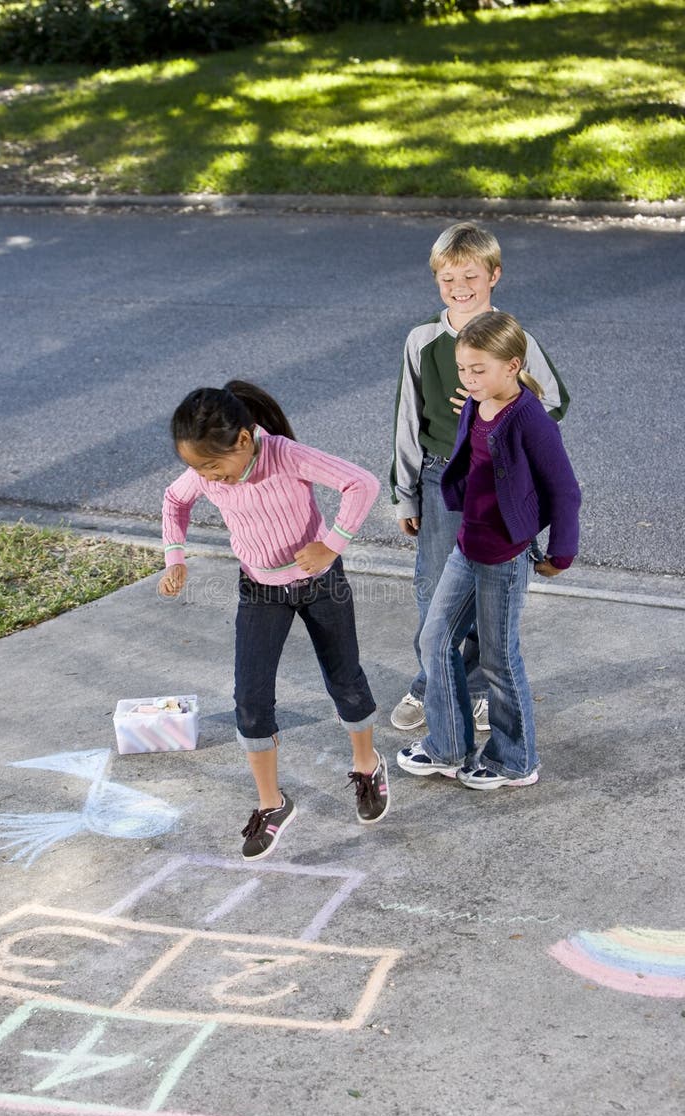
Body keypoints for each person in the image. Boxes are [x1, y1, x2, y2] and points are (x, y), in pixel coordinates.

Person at [158, 379, 388, 861]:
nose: (206, 477)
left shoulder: (284, 454)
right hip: (260, 589)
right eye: (196, 468)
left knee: (344, 679)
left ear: (243, 441)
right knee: (250, 697)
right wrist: (174, 556)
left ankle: (368, 765)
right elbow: (174, 501)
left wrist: (333, 543)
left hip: (320, 581)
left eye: (211, 466)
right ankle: (273, 803)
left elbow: (361, 483)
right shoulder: (203, 474)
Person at [389, 221, 570, 735]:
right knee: (436, 588)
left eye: (470, 276)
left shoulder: (516, 339)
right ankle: (434, 682)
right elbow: (407, 417)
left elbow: (553, 402)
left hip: (499, 483)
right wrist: (405, 495)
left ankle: (479, 688)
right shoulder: (422, 339)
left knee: (490, 587)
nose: (459, 287)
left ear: (494, 275)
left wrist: (496, 401)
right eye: (447, 278)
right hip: (439, 474)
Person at [396, 311, 581, 788]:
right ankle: (448, 746)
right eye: (463, 369)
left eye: (479, 370)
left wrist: (561, 553)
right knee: (435, 640)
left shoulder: (529, 418)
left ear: (512, 365)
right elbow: (466, 463)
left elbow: (564, 490)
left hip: (503, 556)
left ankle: (515, 761)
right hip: (466, 546)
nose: (469, 378)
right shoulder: (474, 406)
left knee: (499, 659)